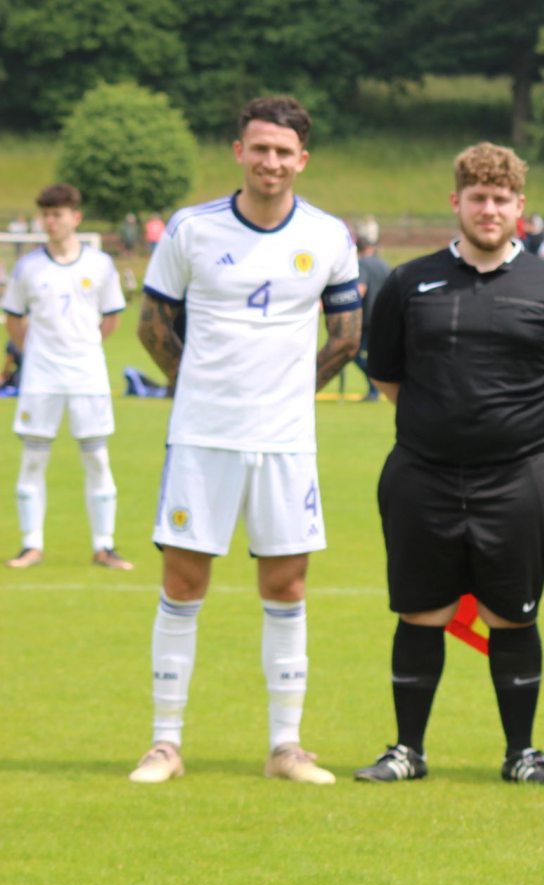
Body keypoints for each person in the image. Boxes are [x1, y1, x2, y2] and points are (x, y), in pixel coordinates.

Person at [129, 96, 362, 784]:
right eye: (259, 148)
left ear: (302, 161)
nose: (271, 162)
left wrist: (287, 394)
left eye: (284, 152)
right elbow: (151, 325)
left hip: (286, 441)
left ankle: (285, 746)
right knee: (183, 579)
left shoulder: (328, 235)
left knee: (287, 584)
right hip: (202, 435)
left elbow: (347, 336)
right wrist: (199, 386)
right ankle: (165, 743)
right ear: (239, 151)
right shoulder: (191, 229)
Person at [354, 143, 544, 787]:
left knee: (512, 615)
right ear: (456, 202)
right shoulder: (410, 282)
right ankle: (407, 750)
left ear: (520, 206)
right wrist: (443, 426)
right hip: (421, 476)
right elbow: (387, 372)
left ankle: (522, 753)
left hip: (517, 479)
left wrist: (511, 432)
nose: (489, 209)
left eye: (501, 199)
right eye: (477, 198)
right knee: (420, 612)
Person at [2, 183, 130, 570]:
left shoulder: (100, 265)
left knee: (97, 459)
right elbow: (14, 320)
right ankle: (31, 545)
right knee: (33, 461)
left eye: (58, 214)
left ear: (75, 217)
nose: (51, 221)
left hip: (87, 374)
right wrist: (38, 355)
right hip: (41, 376)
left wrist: (82, 348)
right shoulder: (28, 267)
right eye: (46, 214)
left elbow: (111, 319)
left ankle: (104, 545)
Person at [351, 216, 390, 401]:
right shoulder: (384, 265)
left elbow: (360, 290)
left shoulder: (362, 265)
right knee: (376, 356)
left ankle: (375, 385)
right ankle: (374, 389)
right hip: (383, 318)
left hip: (366, 319)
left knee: (353, 352)